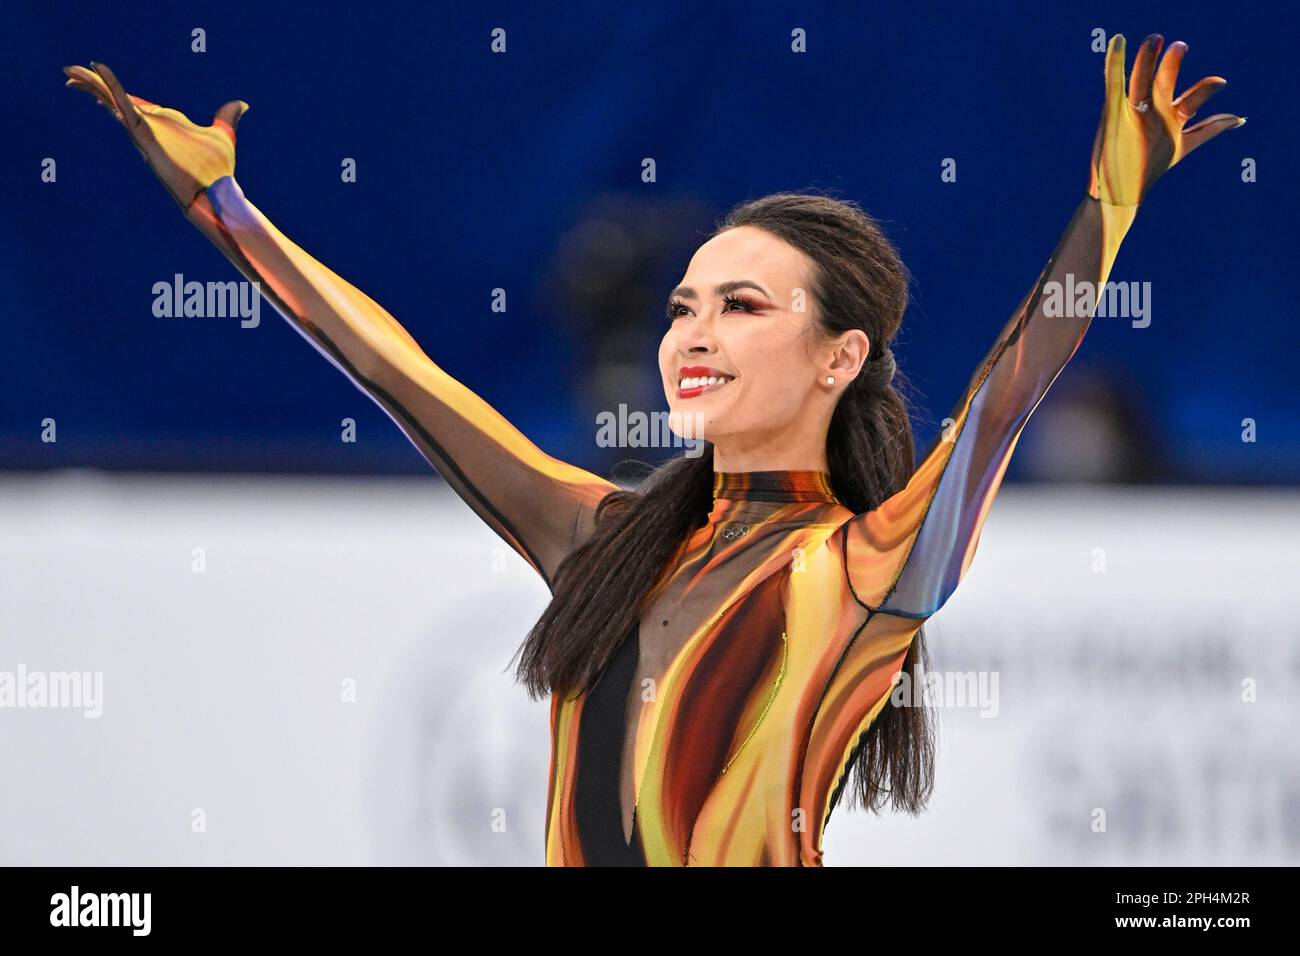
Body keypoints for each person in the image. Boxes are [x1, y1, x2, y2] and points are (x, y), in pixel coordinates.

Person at [65, 33, 1244, 866]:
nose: (691, 332)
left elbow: (1002, 399)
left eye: (741, 305)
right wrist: (227, 210)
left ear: (839, 355)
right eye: (683, 306)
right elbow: (393, 369)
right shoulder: (600, 536)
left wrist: (1106, 207)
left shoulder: (869, 568)